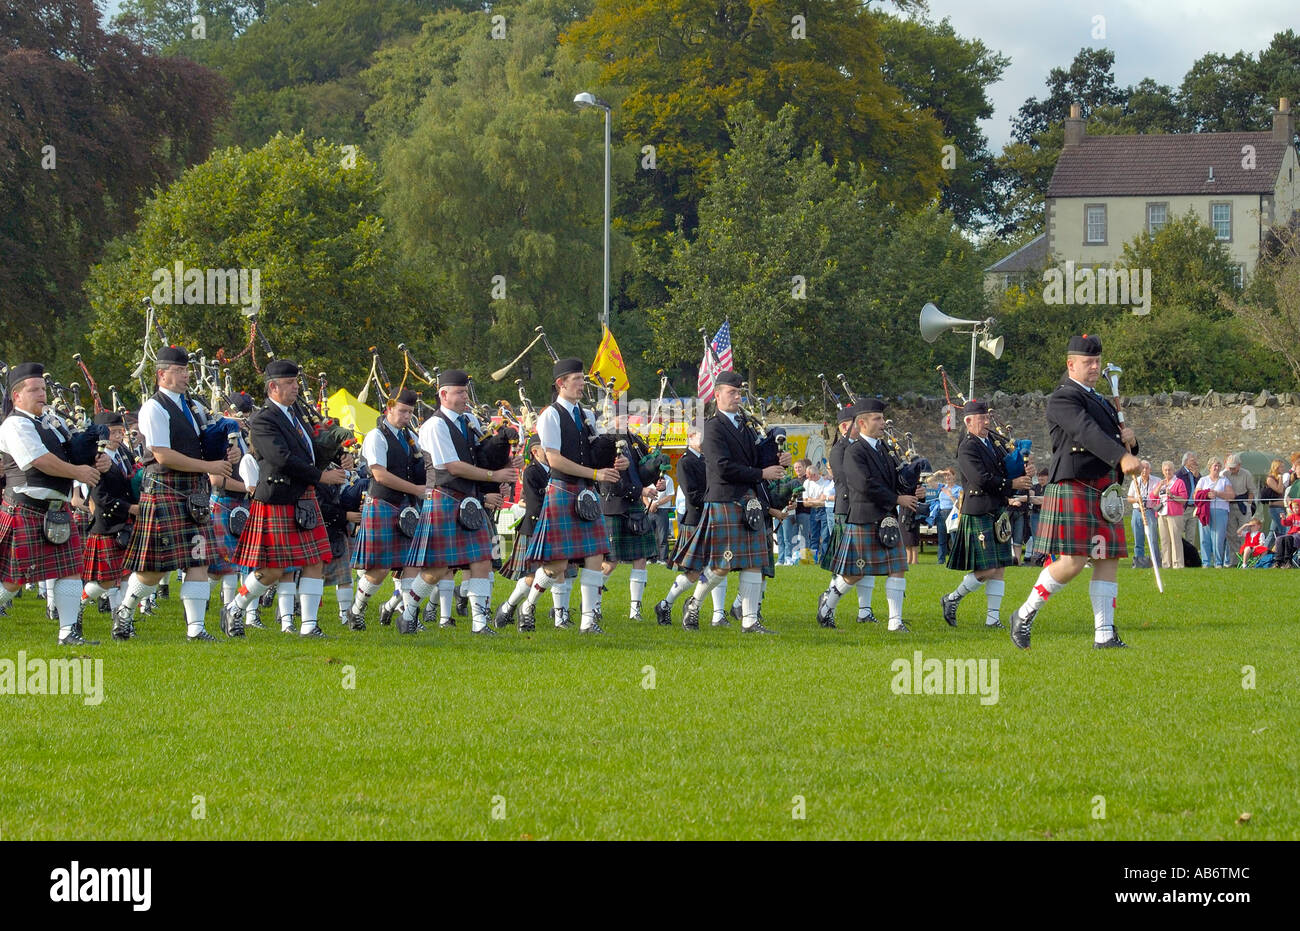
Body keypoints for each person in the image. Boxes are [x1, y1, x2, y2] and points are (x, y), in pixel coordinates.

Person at [1010, 334, 1140, 650]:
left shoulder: (1102, 401)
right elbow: (1086, 432)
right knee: (1074, 561)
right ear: (1071, 364)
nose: (1094, 366)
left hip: (1103, 488)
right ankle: (1024, 613)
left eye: (1097, 361)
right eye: (1088, 362)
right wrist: (1121, 455)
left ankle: (1104, 634)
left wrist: (1131, 443)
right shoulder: (1063, 398)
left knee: (1107, 559)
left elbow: (1113, 440)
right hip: (1075, 485)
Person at [112, 346, 240, 642]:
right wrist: (209, 465)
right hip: (165, 490)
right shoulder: (153, 407)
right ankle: (125, 612)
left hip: (194, 492)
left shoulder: (193, 406)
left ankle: (196, 630)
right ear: (161, 374)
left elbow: (200, 444)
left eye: (187, 371)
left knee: (199, 560)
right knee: (153, 572)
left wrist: (224, 452)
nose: (186, 376)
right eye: (180, 371)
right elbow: (162, 455)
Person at [220, 360, 346, 638]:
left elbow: (309, 451)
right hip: (278, 497)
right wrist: (319, 476)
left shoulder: (296, 415)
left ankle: (309, 626)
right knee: (273, 569)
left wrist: (333, 448)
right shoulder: (263, 419)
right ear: (272, 387)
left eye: (295, 382)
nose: (295, 387)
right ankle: (236, 606)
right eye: (289, 383)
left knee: (315, 561)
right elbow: (280, 458)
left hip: (303, 496)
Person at [399, 369, 519, 634]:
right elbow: (453, 467)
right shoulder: (435, 425)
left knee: (482, 560)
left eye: (465, 392)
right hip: (444, 498)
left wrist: (507, 462)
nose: (465, 397)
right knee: (437, 568)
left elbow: (480, 458)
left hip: (470, 500)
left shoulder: (468, 422)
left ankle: (480, 625)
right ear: (443, 394)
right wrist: (493, 475)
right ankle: (407, 613)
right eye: (460, 392)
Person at [672, 371, 791, 633]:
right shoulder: (711, 427)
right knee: (722, 564)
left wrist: (776, 459)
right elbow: (722, 467)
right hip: (724, 499)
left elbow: (756, 458)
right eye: (731, 392)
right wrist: (762, 473)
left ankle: (749, 621)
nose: (737, 397)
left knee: (753, 562)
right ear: (717, 395)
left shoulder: (744, 426)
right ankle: (694, 604)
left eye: (739, 393)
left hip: (748, 499)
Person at [0, 363, 109, 644]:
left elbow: (71, 453)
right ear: (16, 396)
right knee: (13, 581)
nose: (41, 395)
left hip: (56, 510)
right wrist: (78, 473)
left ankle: (68, 632)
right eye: (33, 390)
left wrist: (97, 460)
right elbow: (37, 460)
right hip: (25, 508)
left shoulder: (52, 422)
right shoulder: (15, 424)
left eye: (43, 389)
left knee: (70, 571)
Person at [518, 358, 625, 634]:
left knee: (594, 556)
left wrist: (615, 462)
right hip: (564, 491)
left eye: (582, 378)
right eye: (576, 379)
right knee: (557, 567)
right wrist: (594, 474)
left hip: (586, 493)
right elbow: (554, 460)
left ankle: (588, 621)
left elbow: (595, 452)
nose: (582, 383)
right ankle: (528, 606)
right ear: (560, 384)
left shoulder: (587, 415)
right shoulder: (550, 415)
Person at [815, 399, 918, 632]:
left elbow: (893, 480)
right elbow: (864, 485)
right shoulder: (854, 451)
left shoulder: (884, 449)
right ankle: (828, 603)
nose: (883, 423)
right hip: (864, 517)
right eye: (877, 419)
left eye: (882, 418)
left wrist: (910, 488)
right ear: (862, 423)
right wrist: (896, 499)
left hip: (886, 517)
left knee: (897, 568)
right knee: (855, 574)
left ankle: (895, 622)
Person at [939, 400, 1034, 629]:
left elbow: (1005, 466)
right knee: (987, 569)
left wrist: (1024, 467)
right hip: (979, 509)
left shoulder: (991, 441)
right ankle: (952, 598)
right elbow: (980, 478)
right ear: (968, 421)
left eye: (986, 418)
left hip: (997, 509)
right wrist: (1011, 483)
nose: (986, 422)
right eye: (981, 419)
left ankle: (993, 620)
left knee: (1000, 567)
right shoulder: (967, 447)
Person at [344, 389, 425, 629]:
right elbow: (379, 475)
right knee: (379, 568)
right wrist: (416, 489)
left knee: (412, 564)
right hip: (383, 504)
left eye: (410, 412)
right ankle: (356, 610)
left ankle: (409, 617)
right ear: (388, 409)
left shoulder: (410, 436)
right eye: (402, 411)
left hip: (406, 506)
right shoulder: (376, 436)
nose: (406, 416)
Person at [654, 429, 729, 627]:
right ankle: (665, 604)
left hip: (713, 517)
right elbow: (692, 495)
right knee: (694, 573)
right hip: (695, 520)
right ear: (690, 437)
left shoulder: (708, 460)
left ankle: (718, 615)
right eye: (700, 437)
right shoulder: (685, 462)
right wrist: (716, 499)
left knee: (720, 566)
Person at [78, 411, 139, 638]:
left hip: (125, 522)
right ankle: (79, 604)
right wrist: (130, 508)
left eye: (120, 431)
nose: (118, 436)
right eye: (113, 432)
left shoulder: (124, 453)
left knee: (124, 577)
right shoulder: (97, 457)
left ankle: (122, 623)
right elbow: (100, 498)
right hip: (107, 524)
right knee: (104, 582)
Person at [597, 417, 658, 622]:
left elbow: (643, 471)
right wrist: (642, 490)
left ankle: (635, 611)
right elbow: (612, 483)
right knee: (610, 562)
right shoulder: (605, 443)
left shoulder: (633, 440)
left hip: (634, 506)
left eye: (625, 416)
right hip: (614, 507)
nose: (624, 420)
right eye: (619, 416)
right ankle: (592, 603)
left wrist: (656, 470)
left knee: (640, 558)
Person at [1195, 458, 1235, 568]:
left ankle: (1218, 562)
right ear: (1209, 467)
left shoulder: (1224, 480)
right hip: (1205, 511)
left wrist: (1217, 493)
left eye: (1218, 466)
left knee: (1218, 538)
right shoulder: (1203, 480)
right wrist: (1206, 494)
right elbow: (1196, 495)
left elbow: (1231, 496)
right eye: (1214, 466)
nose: (1216, 468)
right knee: (1205, 537)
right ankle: (1206, 562)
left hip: (1220, 511)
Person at [1151, 460, 1188, 569]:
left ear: (1173, 470)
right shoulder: (1161, 483)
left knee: (1175, 539)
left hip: (1174, 514)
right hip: (1162, 514)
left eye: (1170, 470)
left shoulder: (1179, 482)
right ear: (1163, 471)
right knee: (1164, 540)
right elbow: (1153, 497)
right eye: (1166, 470)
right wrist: (1159, 487)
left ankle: (1178, 564)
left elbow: (1184, 499)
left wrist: (1172, 496)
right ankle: (1166, 563)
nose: (1168, 472)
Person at [1126, 459, 1161, 569]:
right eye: (1142, 468)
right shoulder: (1135, 481)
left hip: (1150, 511)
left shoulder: (1156, 481)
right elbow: (1129, 498)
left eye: (1147, 468)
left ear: (1150, 470)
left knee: (1153, 538)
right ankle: (1139, 562)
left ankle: (1155, 562)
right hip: (1137, 511)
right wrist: (1137, 499)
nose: (1144, 470)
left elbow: (1161, 497)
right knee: (1138, 538)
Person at [1176, 452, 1201, 549]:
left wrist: (1197, 477)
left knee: (1191, 536)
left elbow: (1201, 487)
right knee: (1178, 534)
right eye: (1192, 460)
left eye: (1195, 460)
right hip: (1183, 508)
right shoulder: (1179, 474)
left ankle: (1190, 558)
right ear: (1186, 461)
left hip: (1193, 508)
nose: (1195, 462)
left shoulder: (1196, 474)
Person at [935, 470, 960, 563]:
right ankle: (941, 560)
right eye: (945, 476)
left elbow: (959, 505)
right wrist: (938, 473)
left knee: (954, 538)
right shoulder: (942, 487)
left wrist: (950, 495)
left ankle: (955, 560)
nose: (947, 477)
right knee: (942, 539)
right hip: (941, 514)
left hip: (952, 513)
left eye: (949, 475)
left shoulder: (959, 489)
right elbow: (928, 481)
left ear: (954, 476)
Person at [1262, 459, 1286, 534]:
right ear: (1276, 467)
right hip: (1276, 508)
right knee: (1283, 530)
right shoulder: (1270, 479)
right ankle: (1282, 545)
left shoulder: (1278, 478)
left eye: (1283, 467)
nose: (1283, 469)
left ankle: (1266, 546)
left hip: (1281, 507)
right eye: (1281, 467)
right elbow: (1279, 490)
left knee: (1272, 533)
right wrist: (1281, 479)